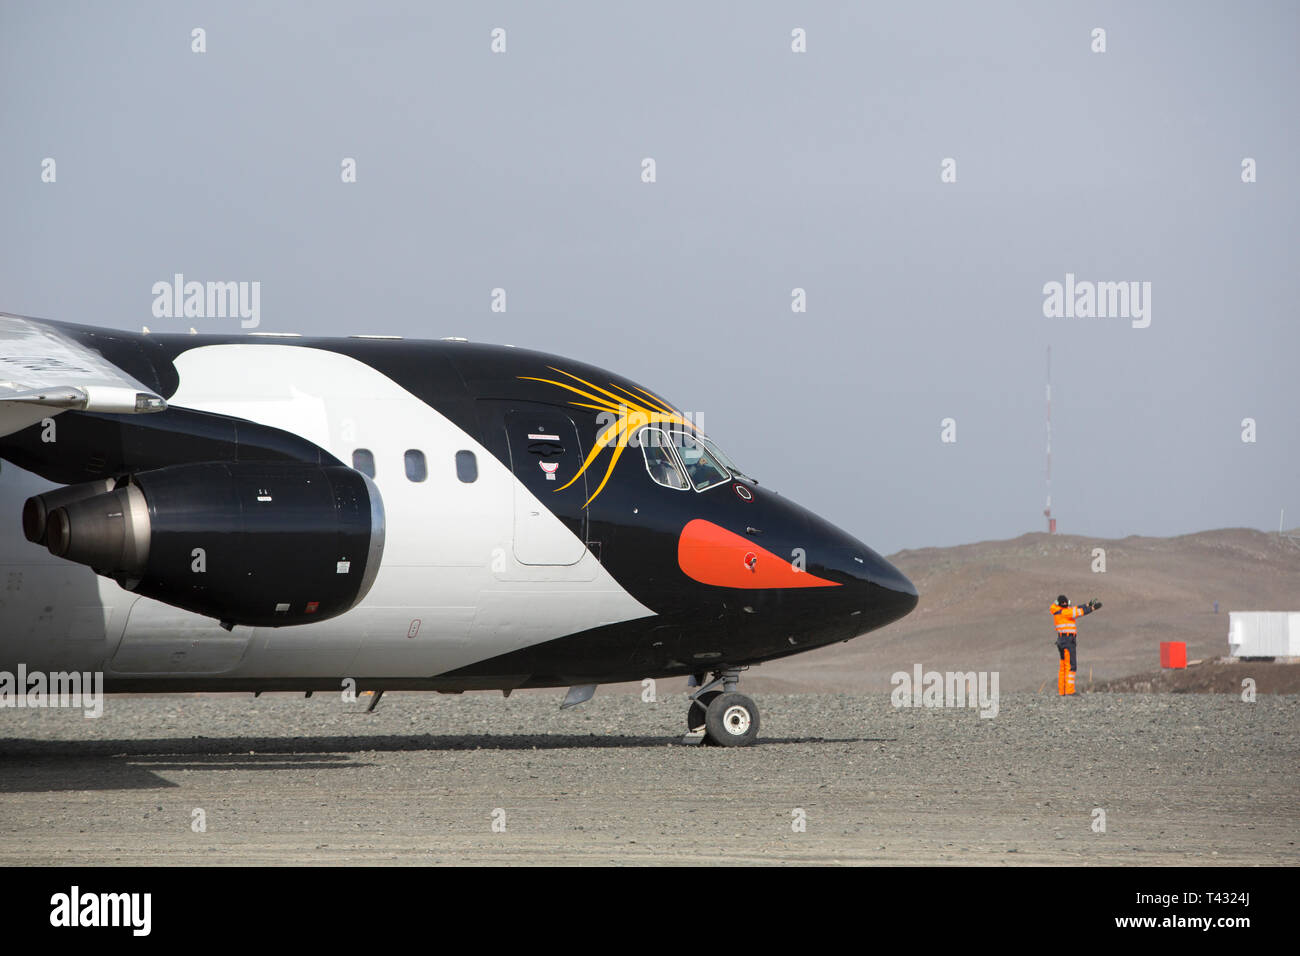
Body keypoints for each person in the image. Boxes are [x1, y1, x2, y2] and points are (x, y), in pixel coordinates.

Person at [1050, 594, 1100, 695]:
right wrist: (1092, 608)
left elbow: (1075, 608)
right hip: (1068, 641)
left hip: (1062, 640)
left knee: (1063, 666)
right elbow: (1078, 612)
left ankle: (1062, 691)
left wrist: (1087, 604)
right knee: (1071, 666)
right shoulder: (1065, 612)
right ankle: (1069, 691)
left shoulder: (1057, 611)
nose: (1065, 604)